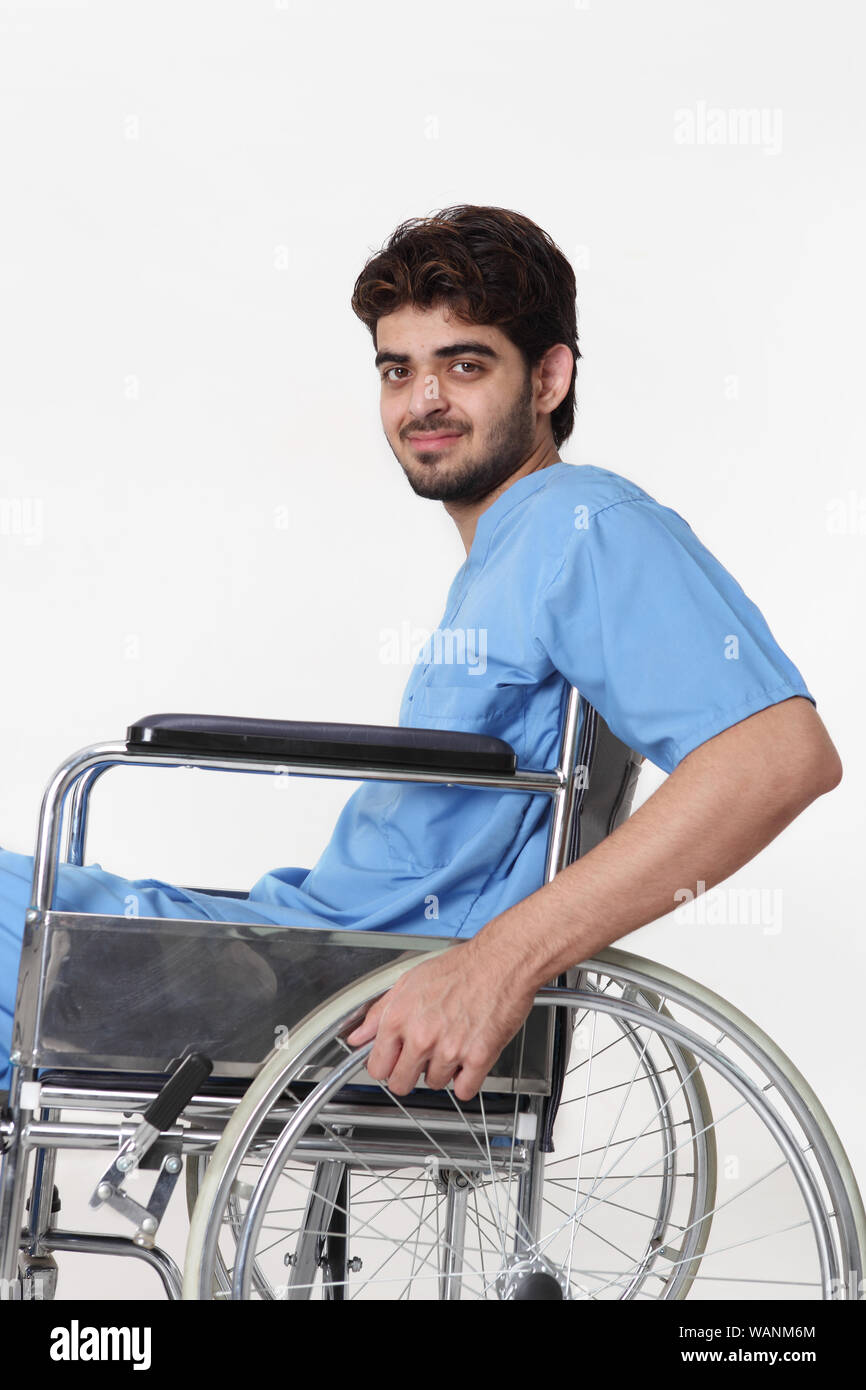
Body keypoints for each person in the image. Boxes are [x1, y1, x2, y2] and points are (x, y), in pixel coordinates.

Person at [0, 204, 842, 1102]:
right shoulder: (513, 550)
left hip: (334, 988)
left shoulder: (583, 524)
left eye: (464, 365)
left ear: (549, 378)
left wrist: (496, 965)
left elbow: (778, 757)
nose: (423, 400)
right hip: (302, 945)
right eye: (398, 370)